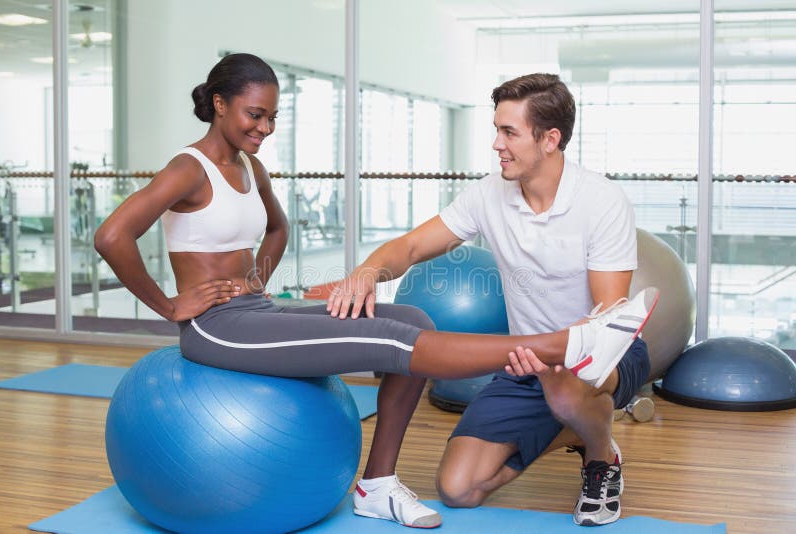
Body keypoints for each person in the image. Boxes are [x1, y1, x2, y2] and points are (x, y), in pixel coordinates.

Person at [94, 54, 656, 529]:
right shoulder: (186, 169)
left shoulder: (248, 168)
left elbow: (278, 228)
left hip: (253, 307)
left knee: (412, 315)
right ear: (219, 103)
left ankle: (378, 484)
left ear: (549, 138)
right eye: (254, 114)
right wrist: (171, 307)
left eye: (271, 117)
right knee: (393, 348)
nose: (263, 128)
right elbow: (112, 234)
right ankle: (566, 343)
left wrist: (257, 281)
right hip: (215, 328)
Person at [327, 73, 656, 526]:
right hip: (523, 361)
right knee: (459, 488)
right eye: (496, 129)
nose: (497, 144)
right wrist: (367, 272)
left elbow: (606, 320)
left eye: (510, 132)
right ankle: (576, 429)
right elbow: (411, 247)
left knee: (564, 386)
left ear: (550, 139)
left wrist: (554, 359)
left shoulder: (601, 201)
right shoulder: (489, 193)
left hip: (600, 357)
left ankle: (601, 457)